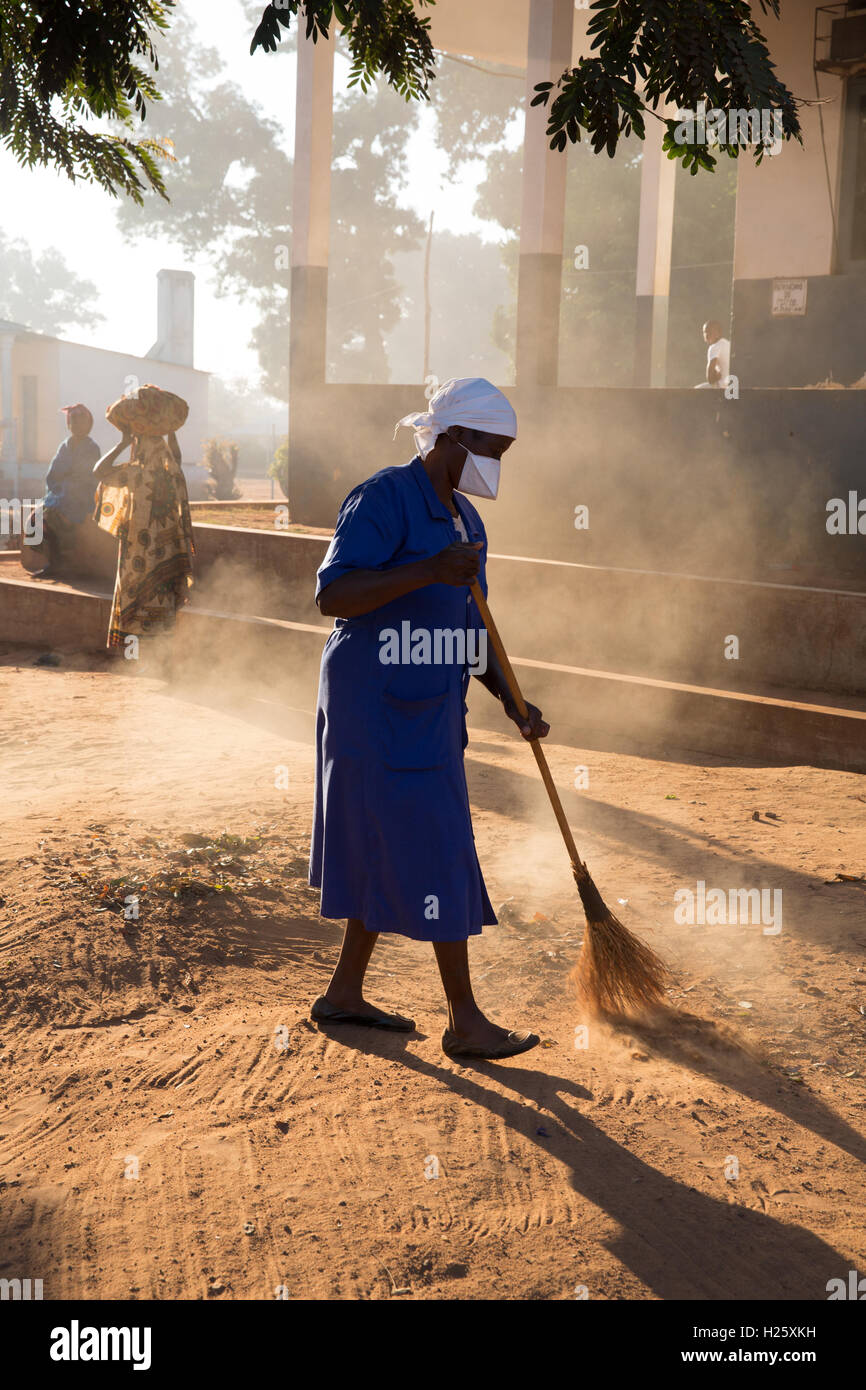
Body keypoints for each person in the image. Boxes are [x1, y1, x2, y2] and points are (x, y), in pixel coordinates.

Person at [309, 376, 550, 1061]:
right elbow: (334, 595)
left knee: (387, 838)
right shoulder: (382, 497)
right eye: (491, 449)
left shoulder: (468, 524)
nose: (495, 465)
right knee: (440, 845)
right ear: (451, 439)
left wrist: (512, 700)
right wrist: (427, 570)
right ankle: (465, 1020)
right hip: (372, 705)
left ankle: (345, 993)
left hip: (431, 709)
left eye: (505, 452)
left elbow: (472, 629)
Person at [92, 421, 194, 650]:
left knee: (134, 604)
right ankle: (159, 660)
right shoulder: (172, 474)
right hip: (166, 555)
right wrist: (171, 432)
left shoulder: (134, 472)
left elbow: (99, 471)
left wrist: (122, 443)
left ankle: (136, 659)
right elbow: (176, 457)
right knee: (163, 606)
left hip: (136, 555)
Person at [34, 404, 101, 578]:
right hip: (60, 494)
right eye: (74, 421)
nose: (77, 425)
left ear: (89, 424)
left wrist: (69, 483)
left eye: (81, 421)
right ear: (68, 424)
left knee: (62, 517)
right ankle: (54, 563)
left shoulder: (92, 448)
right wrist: (61, 487)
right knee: (37, 518)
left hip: (83, 497)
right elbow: (54, 473)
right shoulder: (64, 446)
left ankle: (71, 565)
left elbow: (89, 476)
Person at [695, 320, 731, 388]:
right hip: (733, 386)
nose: (706, 334)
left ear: (718, 333)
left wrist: (715, 376)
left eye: (710, 331)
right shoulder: (728, 344)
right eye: (705, 332)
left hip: (722, 386)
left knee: (693, 391)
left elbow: (710, 379)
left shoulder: (714, 347)